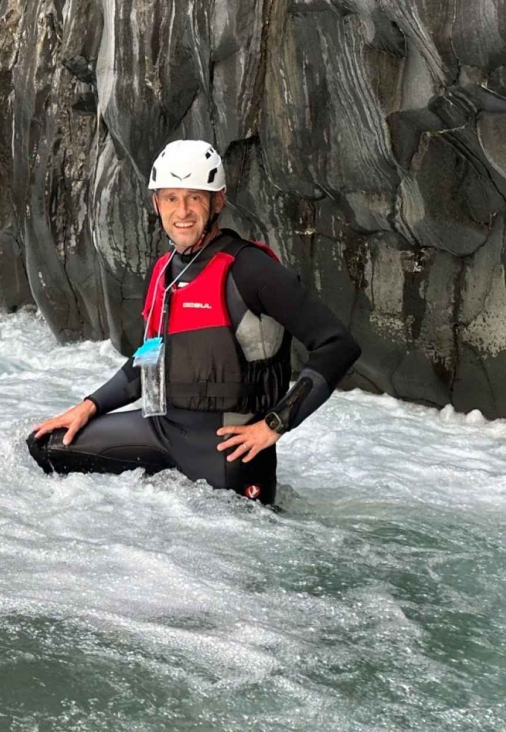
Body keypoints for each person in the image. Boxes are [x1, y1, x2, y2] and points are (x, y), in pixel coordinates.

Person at [26, 139, 361, 504]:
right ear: (156, 203)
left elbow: (337, 346)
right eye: (170, 198)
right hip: (160, 429)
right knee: (46, 447)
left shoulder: (252, 270)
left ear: (217, 201)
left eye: (194, 197)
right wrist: (88, 406)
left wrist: (275, 424)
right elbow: (148, 361)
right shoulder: (164, 271)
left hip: (229, 449)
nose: (181, 211)